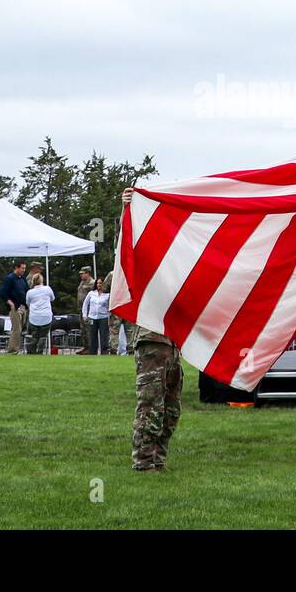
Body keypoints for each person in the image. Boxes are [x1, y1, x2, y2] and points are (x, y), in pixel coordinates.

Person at [122, 188, 182, 471]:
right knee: (151, 405)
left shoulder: (177, 267)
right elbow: (126, 250)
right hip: (151, 341)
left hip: (172, 342)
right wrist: (128, 211)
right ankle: (144, 462)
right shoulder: (145, 263)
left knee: (171, 408)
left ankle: (158, 458)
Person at [0, 262, 30, 354]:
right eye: (22, 268)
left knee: (20, 329)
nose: (24, 270)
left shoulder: (23, 279)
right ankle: (13, 350)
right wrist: (10, 303)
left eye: (25, 268)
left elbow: (27, 291)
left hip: (23, 306)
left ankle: (15, 348)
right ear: (16, 268)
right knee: (17, 329)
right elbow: (2, 293)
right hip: (15, 307)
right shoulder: (9, 279)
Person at [24, 273, 55, 354]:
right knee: (43, 336)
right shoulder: (47, 289)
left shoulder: (30, 292)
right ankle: (40, 351)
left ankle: (31, 351)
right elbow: (52, 298)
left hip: (34, 316)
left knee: (34, 335)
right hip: (46, 316)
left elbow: (28, 303)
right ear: (41, 280)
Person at [83, 278, 111, 355]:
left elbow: (110, 306)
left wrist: (109, 316)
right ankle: (92, 353)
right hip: (92, 317)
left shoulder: (107, 295)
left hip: (103, 318)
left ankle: (104, 353)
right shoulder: (91, 293)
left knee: (104, 336)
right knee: (92, 336)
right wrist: (84, 315)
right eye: (98, 283)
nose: (99, 285)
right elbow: (85, 304)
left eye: (101, 283)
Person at [76, 268, 95, 353]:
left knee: (88, 329)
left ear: (88, 273)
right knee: (83, 329)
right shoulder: (82, 282)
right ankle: (85, 346)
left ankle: (91, 347)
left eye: (83, 274)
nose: (81, 275)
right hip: (81, 309)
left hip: (88, 309)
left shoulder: (92, 283)